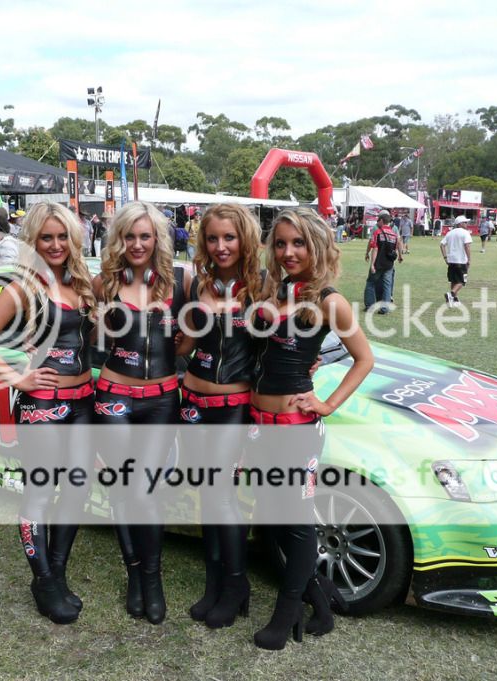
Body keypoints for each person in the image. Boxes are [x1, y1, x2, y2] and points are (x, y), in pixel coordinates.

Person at [0, 202, 96, 625]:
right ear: (33, 242)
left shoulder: (83, 284)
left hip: (82, 403)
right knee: (41, 492)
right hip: (42, 403)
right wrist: (17, 379)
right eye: (47, 237)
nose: (56, 245)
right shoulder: (24, 286)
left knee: (76, 488)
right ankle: (43, 580)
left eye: (62, 237)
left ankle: (56, 573)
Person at [250, 207, 373, 650]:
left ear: (317, 245)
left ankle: (286, 619)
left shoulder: (328, 300)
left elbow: (364, 358)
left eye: (298, 243)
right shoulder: (276, 289)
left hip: (296, 427)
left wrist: (328, 402)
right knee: (272, 521)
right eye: (281, 243)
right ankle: (321, 601)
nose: (288, 252)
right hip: (260, 424)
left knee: (297, 525)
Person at [92, 201, 192, 625]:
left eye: (145, 236)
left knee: (145, 491)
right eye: (129, 236)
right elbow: (71, 327)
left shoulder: (182, 280)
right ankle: (135, 576)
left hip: (162, 399)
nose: (137, 244)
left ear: (158, 240)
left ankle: (153, 579)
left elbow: (192, 337)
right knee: (121, 489)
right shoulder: (104, 284)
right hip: (113, 395)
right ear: (119, 239)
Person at [174, 204, 262, 630]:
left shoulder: (263, 287)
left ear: (244, 238)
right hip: (191, 401)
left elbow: (288, 340)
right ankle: (213, 586)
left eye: (229, 237)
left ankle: (235, 585)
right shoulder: (198, 285)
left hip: (233, 407)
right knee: (206, 496)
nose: (221, 246)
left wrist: (306, 363)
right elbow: (186, 344)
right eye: (213, 238)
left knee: (223, 496)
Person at [363, 210, 401, 314]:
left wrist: (372, 264)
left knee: (370, 283)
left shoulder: (377, 232)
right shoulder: (394, 234)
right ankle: (385, 309)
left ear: (382, 221)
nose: (377, 222)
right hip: (389, 264)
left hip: (378, 263)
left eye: (378, 220)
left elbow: (375, 248)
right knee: (387, 286)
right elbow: (397, 246)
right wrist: (400, 256)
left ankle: (370, 306)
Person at [440, 215, 472, 307]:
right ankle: (451, 294)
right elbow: (467, 246)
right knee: (462, 281)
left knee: (454, 280)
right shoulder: (465, 233)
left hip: (451, 260)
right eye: (465, 222)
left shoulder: (450, 233)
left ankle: (454, 300)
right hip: (461, 261)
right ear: (460, 224)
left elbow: (442, 245)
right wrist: (469, 259)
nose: (467, 224)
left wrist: (445, 257)